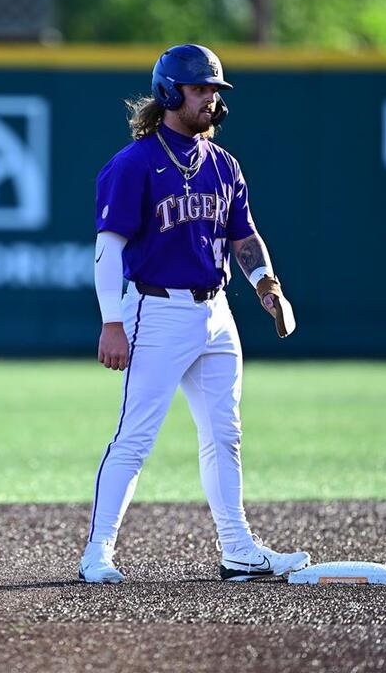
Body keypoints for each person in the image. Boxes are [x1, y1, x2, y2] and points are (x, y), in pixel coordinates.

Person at [79, 44, 309, 584]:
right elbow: (108, 247)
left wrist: (266, 285)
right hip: (156, 310)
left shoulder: (223, 164)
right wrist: (112, 320)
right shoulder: (134, 162)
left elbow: (243, 235)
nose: (210, 98)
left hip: (216, 312)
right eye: (200, 88)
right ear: (169, 93)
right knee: (135, 436)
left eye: (214, 90)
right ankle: (98, 553)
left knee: (225, 434)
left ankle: (237, 549)